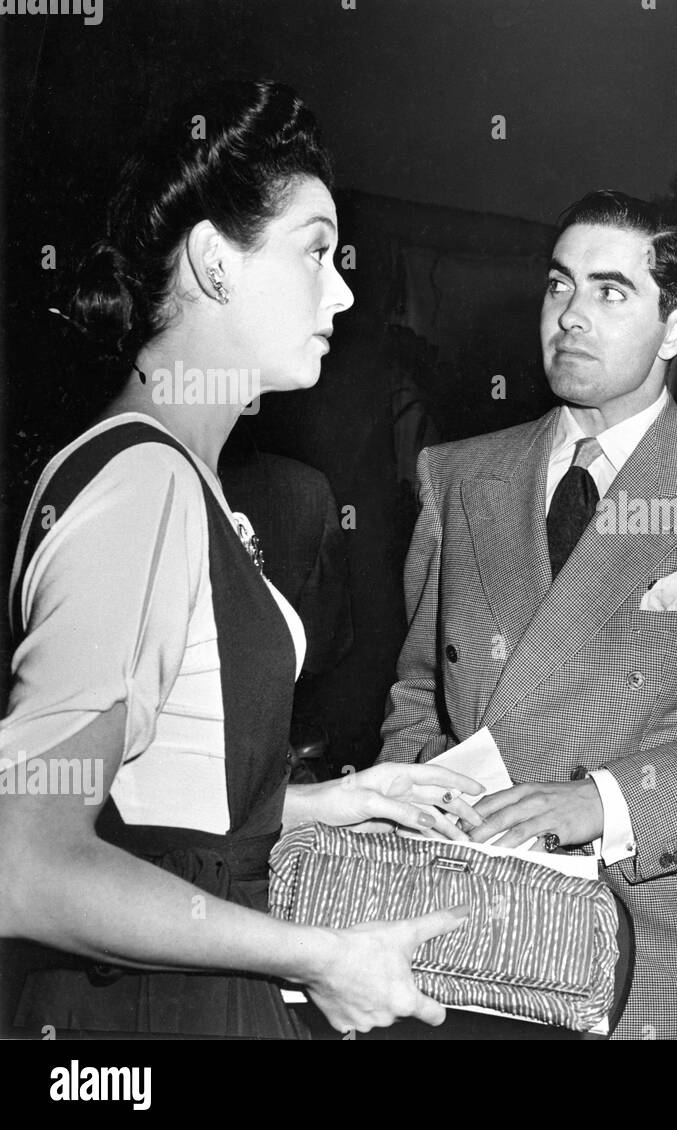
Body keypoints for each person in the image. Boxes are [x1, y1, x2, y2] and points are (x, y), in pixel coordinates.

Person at [0, 80, 484, 1039]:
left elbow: (159, 816)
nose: (343, 290)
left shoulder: (174, 477)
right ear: (216, 262)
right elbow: (24, 864)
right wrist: (317, 955)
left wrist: (331, 801)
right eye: (315, 250)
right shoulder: (143, 484)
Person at [379, 190, 677, 1039]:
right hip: (450, 943)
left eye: (610, 292)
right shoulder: (457, 475)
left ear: (676, 330)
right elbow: (417, 694)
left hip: (639, 965)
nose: (571, 316)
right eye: (559, 285)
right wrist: (414, 805)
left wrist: (608, 803)